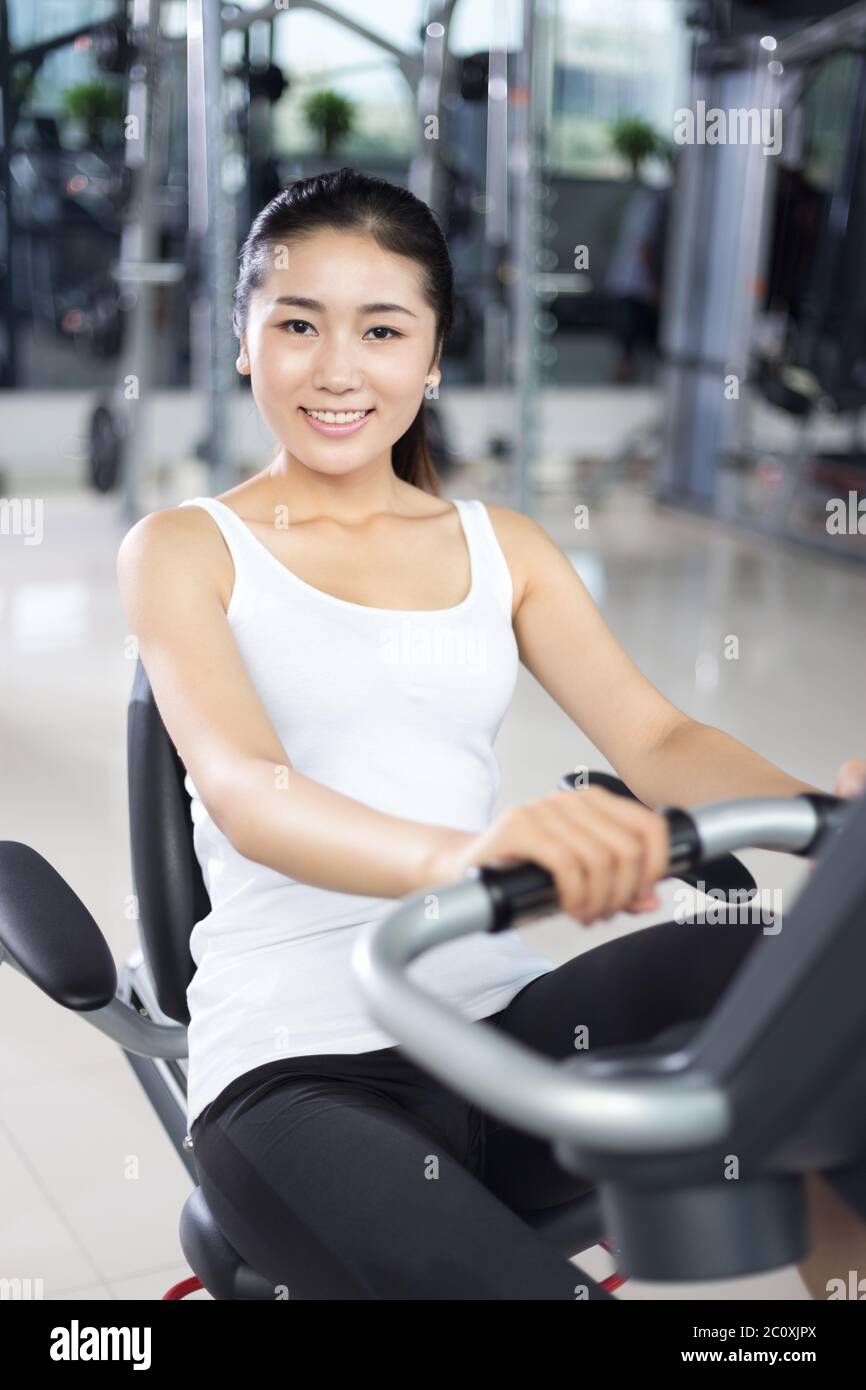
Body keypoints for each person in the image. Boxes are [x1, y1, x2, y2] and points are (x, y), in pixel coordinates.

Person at [117, 167, 866, 1301]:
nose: (335, 368)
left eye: (380, 329)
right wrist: (467, 860)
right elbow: (247, 787)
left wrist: (836, 823)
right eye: (296, 324)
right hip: (299, 1073)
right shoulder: (184, 546)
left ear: (429, 357)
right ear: (241, 340)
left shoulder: (498, 543)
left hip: (498, 1032)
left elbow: (656, 739)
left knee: (803, 989)